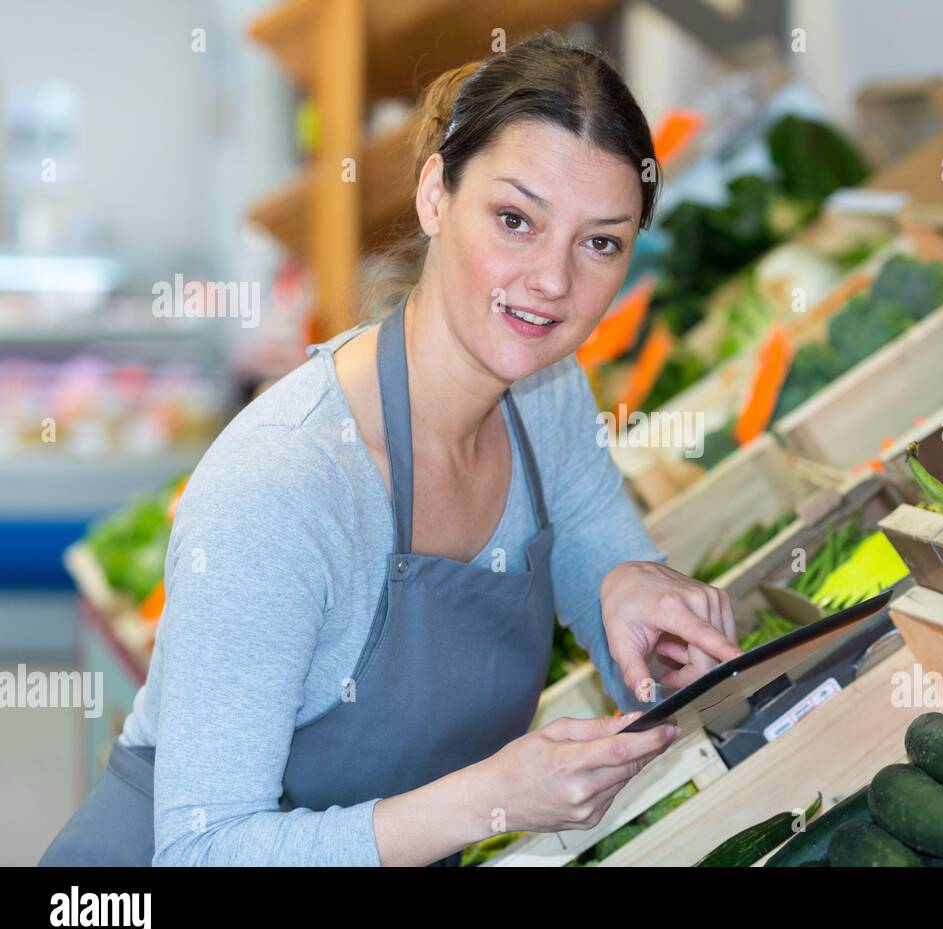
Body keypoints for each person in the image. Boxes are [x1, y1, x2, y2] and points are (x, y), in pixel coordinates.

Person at [40, 32, 740, 867]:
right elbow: (202, 850)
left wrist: (632, 600)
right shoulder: (287, 484)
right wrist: (490, 800)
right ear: (435, 196)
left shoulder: (543, 397)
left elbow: (600, 556)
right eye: (515, 220)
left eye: (600, 243)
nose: (553, 281)